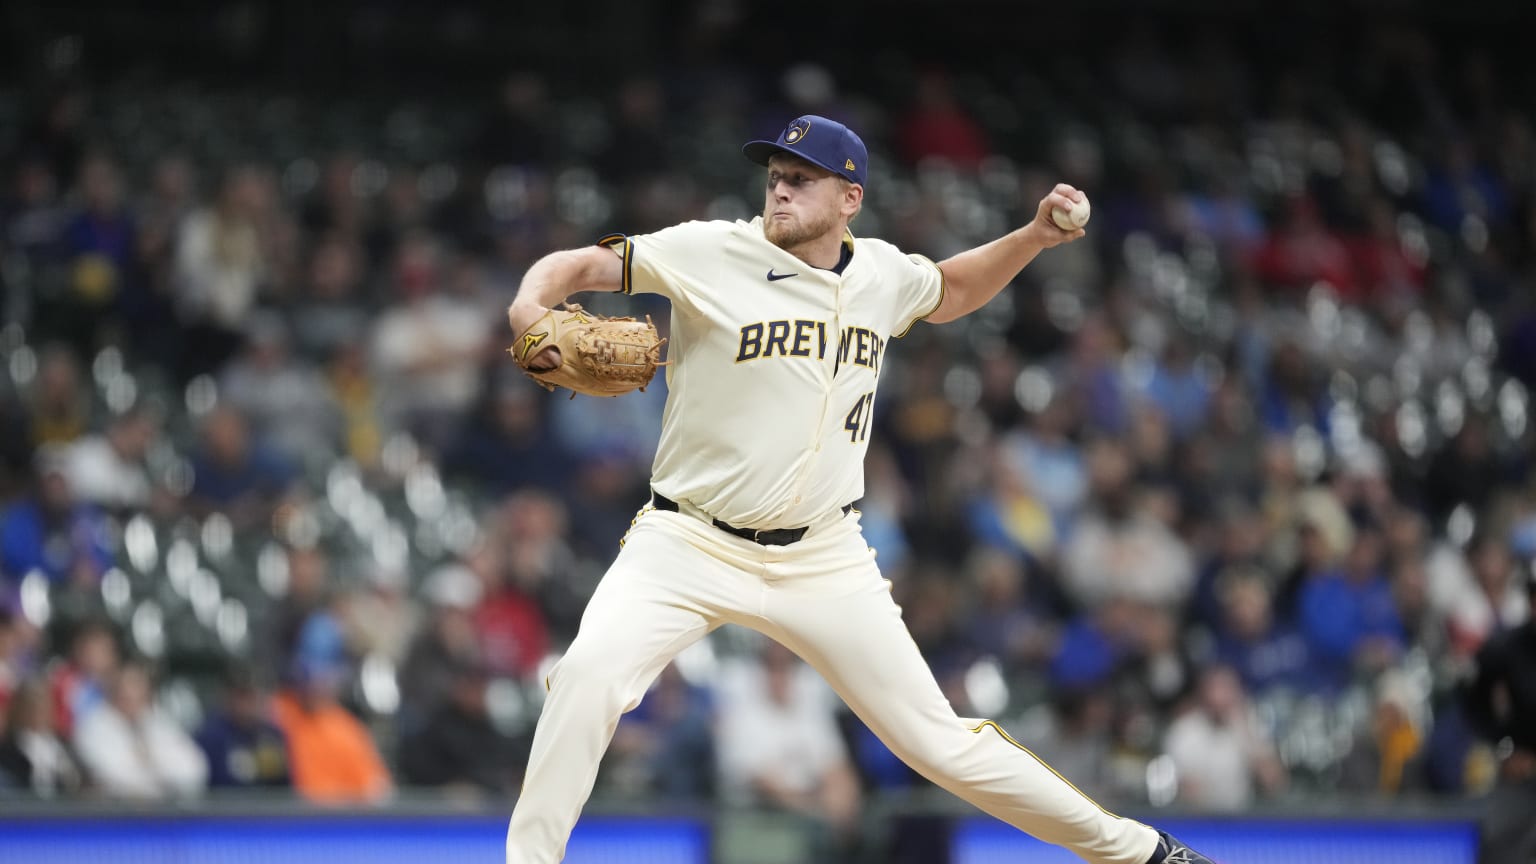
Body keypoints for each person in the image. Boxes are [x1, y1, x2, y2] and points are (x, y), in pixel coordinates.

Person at [503, 114, 1214, 864]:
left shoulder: (882, 274)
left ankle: (1140, 853)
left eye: (800, 180)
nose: (779, 191)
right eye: (774, 177)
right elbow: (576, 266)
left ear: (850, 197)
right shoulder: (710, 250)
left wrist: (1032, 236)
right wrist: (528, 307)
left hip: (823, 555)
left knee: (938, 742)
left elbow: (952, 288)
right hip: (688, 540)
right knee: (586, 677)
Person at [1462, 565, 1536, 864]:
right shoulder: (1507, 647)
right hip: (1522, 771)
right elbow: (1472, 701)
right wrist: (1503, 745)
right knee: (1497, 841)